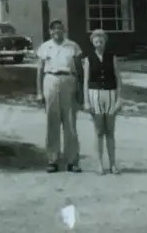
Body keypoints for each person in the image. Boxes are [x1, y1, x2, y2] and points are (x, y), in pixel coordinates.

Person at [36, 19, 83, 173]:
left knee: (70, 123)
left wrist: (80, 91)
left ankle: (72, 161)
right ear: (50, 31)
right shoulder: (45, 47)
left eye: (60, 28)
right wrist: (39, 92)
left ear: (64, 30)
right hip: (50, 80)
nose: (57, 31)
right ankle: (52, 160)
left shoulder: (73, 46)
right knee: (52, 122)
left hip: (69, 80)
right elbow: (40, 71)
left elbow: (80, 70)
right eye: (54, 29)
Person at [82, 29, 122, 174]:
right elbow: (85, 81)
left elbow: (118, 79)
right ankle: (99, 164)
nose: (99, 43)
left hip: (110, 95)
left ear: (105, 41)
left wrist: (119, 99)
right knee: (99, 131)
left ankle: (113, 164)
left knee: (110, 131)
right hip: (95, 95)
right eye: (96, 40)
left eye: (101, 40)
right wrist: (86, 101)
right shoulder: (88, 59)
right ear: (92, 42)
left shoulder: (112, 57)